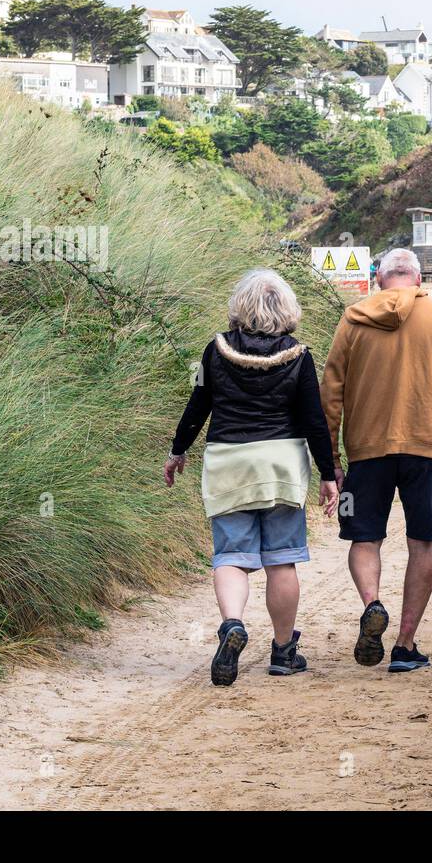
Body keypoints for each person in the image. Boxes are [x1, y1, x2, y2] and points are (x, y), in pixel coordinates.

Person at [165, 269, 339, 686]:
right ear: (287, 309)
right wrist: (329, 475)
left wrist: (177, 450)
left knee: (230, 557)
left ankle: (233, 625)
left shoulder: (215, 350)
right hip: (281, 466)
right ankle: (283, 653)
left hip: (229, 462)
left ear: (240, 307)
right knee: (282, 559)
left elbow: (198, 405)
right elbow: (315, 421)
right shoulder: (299, 355)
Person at [322, 249, 432, 673]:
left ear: (379, 279)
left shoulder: (353, 319)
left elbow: (331, 392)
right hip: (425, 449)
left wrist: (331, 459)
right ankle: (405, 644)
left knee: (365, 537)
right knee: (422, 542)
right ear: (417, 278)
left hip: (366, 451)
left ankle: (372, 604)